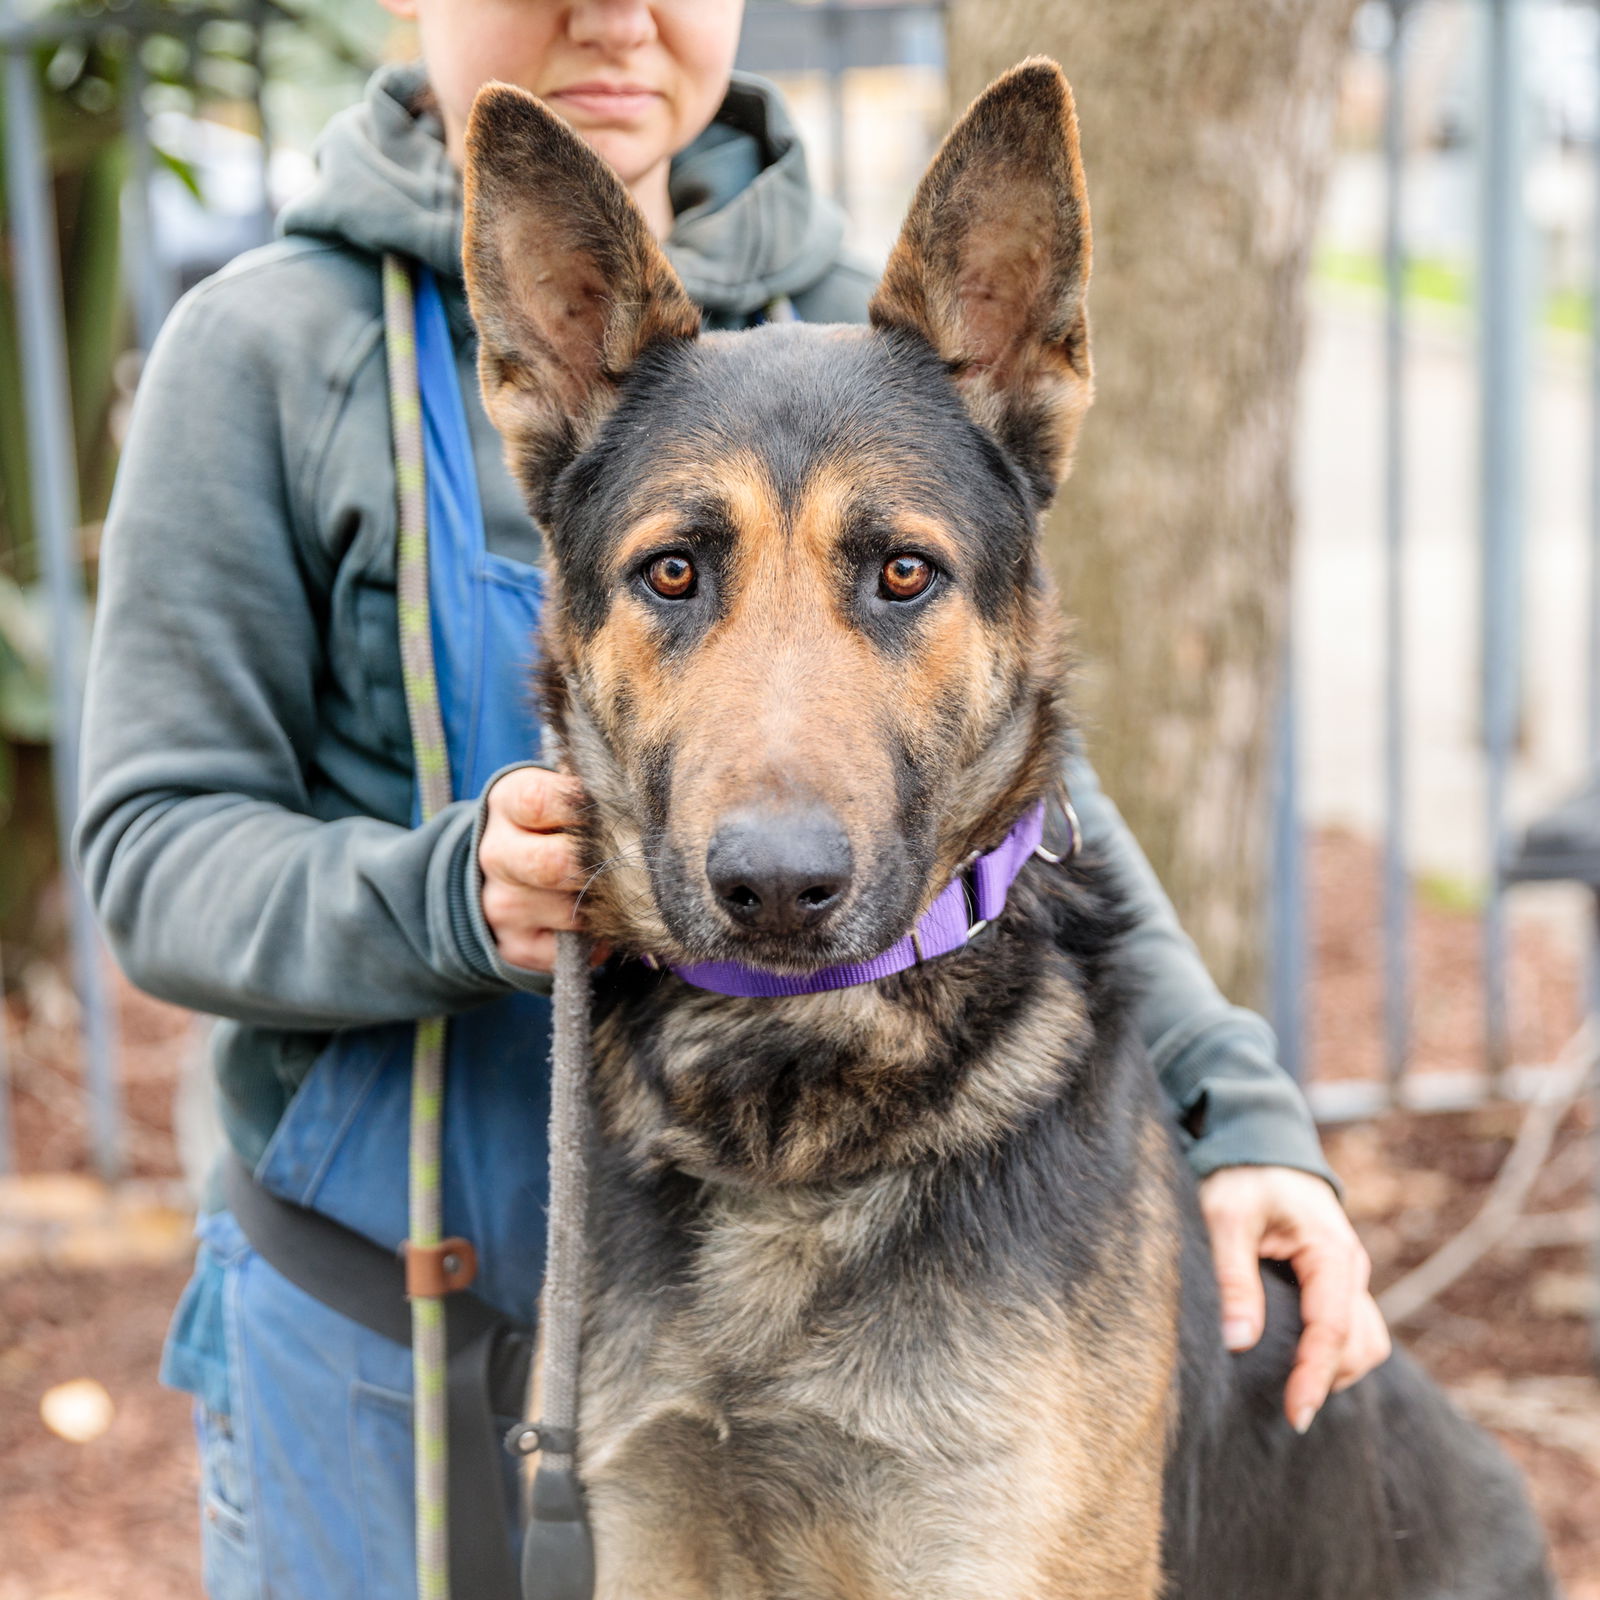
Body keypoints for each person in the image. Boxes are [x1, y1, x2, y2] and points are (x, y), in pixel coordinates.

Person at [76, 2, 1389, 1593]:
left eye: (894, 575)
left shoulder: (882, 342)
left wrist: (1242, 1115)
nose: (616, 16)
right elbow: (151, 848)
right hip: (381, 1317)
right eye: (675, 574)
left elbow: (1032, 801)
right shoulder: (266, 351)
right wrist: (450, 897)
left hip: (702, 1242)